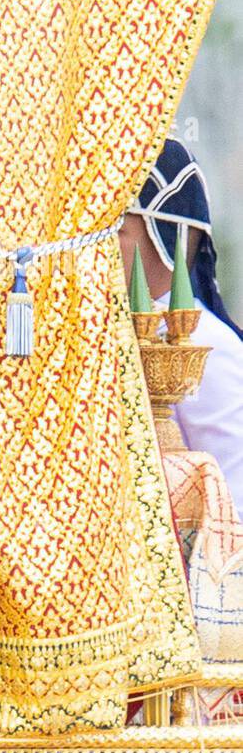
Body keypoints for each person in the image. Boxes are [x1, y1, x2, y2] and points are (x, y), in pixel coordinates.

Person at [120, 137, 243, 518]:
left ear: (168, 236)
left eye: (116, 228)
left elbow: (234, 485)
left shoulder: (206, 341)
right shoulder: (102, 331)